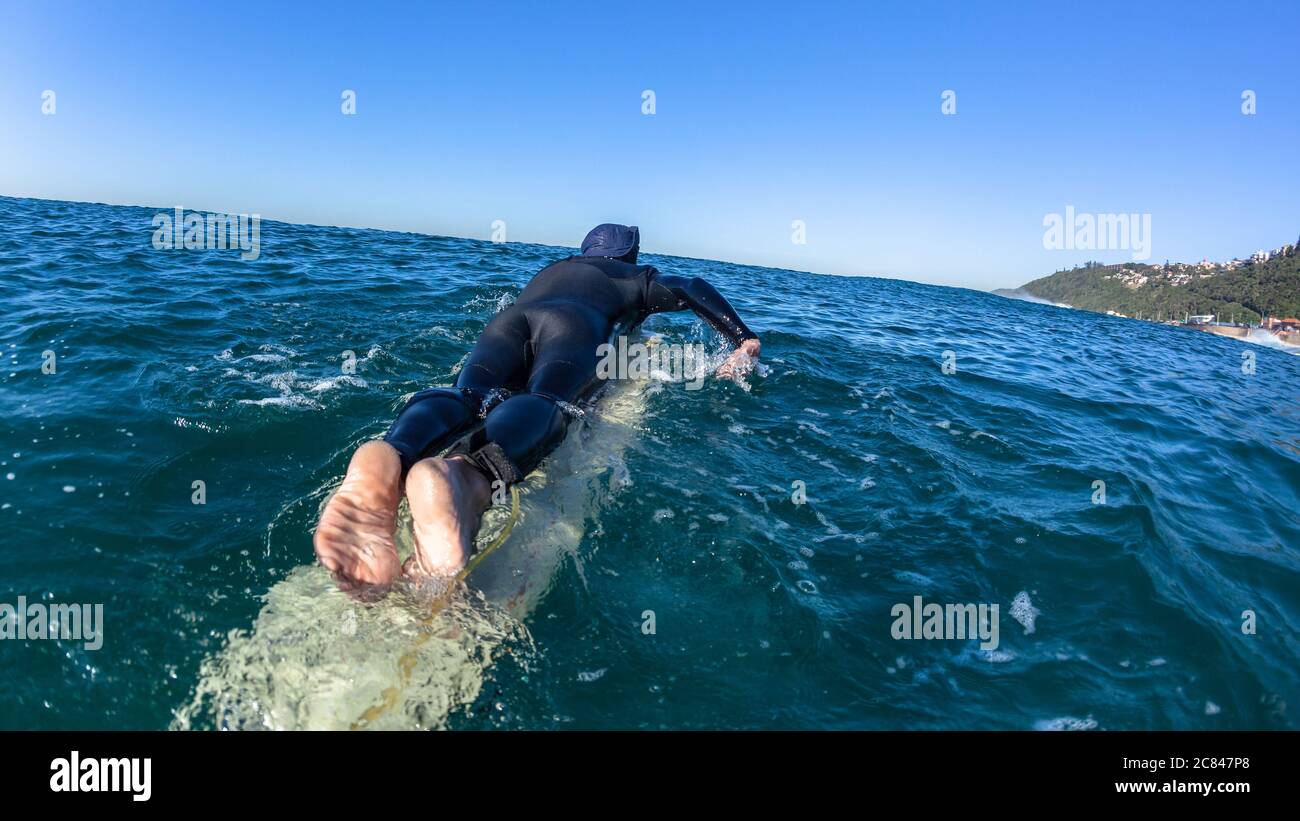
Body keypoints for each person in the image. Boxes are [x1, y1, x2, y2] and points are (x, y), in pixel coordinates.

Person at [314, 224, 760, 591]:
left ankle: (392, 456)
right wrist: (742, 339)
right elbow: (691, 287)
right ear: (630, 255)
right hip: (574, 329)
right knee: (546, 401)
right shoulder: (632, 278)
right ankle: (469, 480)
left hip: (509, 321)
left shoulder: (554, 269)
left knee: (469, 396)